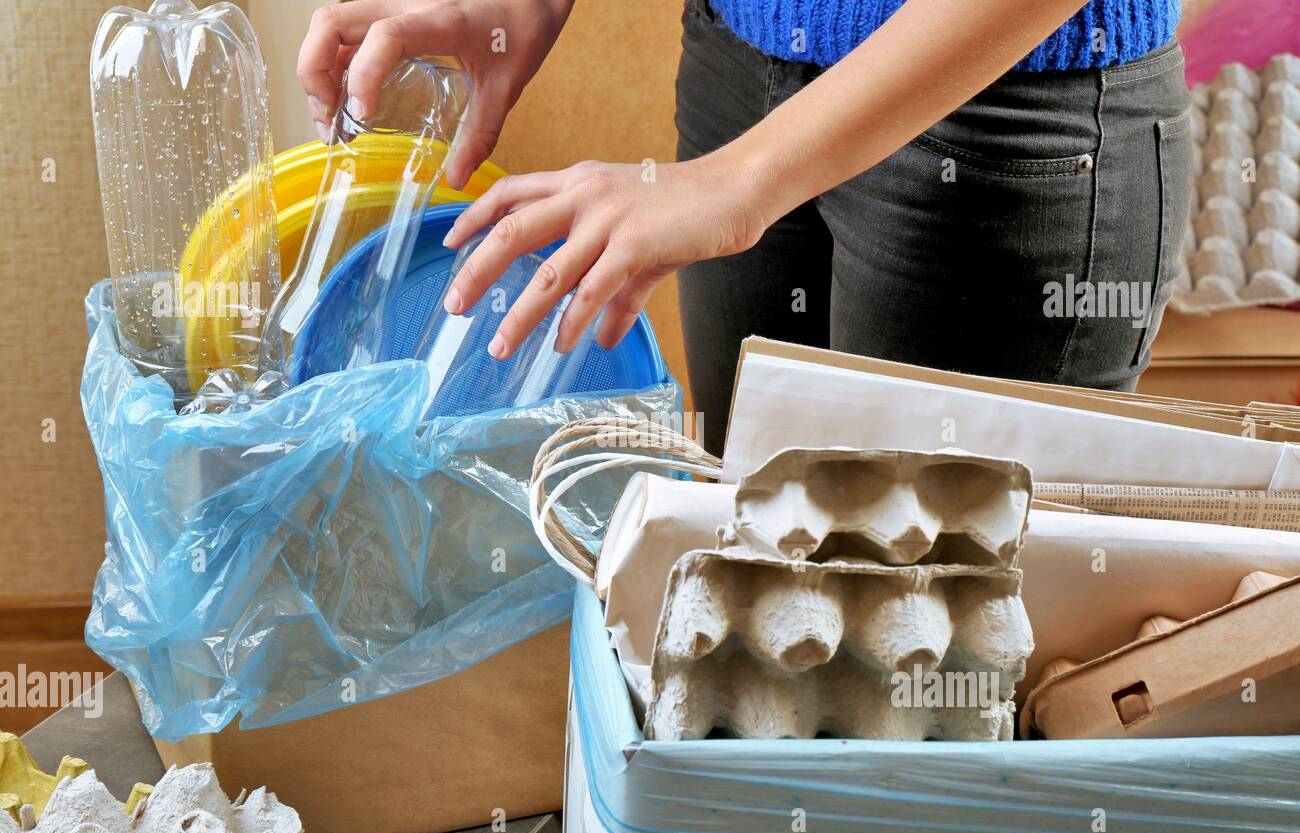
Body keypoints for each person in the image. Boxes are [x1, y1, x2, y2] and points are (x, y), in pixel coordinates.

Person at [299, 0, 1191, 454]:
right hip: (738, 61)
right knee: (763, 609)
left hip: (999, 108)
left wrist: (738, 181)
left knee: (931, 691)